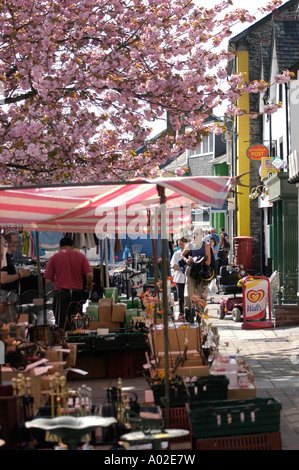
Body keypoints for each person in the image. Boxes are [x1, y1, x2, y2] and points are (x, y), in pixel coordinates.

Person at [44, 237, 93, 329]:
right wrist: (88, 286)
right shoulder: (81, 256)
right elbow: (89, 275)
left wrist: (59, 278)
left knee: (61, 322)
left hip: (61, 295)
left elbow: (48, 280)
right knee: (76, 321)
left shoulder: (54, 258)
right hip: (77, 294)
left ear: (60, 246)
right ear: (72, 246)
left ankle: (64, 340)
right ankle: (76, 339)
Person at [181, 227, 211, 322]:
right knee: (188, 294)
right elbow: (182, 254)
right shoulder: (190, 244)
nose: (196, 236)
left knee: (200, 296)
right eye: (194, 233)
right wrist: (187, 259)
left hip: (201, 273)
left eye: (198, 234)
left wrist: (200, 260)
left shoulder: (205, 245)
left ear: (201, 235)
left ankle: (199, 316)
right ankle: (189, 313)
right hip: (191, 271)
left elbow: (208, 262)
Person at [0, 232, 30, 303]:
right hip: (6, 294)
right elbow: (3, 279)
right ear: (8, 243)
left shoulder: (7, 257)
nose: (17, 245)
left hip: (8, 294)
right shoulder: (5, 258)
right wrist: (21, 275)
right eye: (15, 242)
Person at [170, 237, 187, 319]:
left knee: (188, 295)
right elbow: (174, 266)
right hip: (179, 277)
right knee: (180, 295)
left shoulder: (189, 252)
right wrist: (182, 269)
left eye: (182, 244)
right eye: (179, 244)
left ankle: (190, 310)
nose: (181, 246)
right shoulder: (177, 253)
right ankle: (181, 311)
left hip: (187, 277)